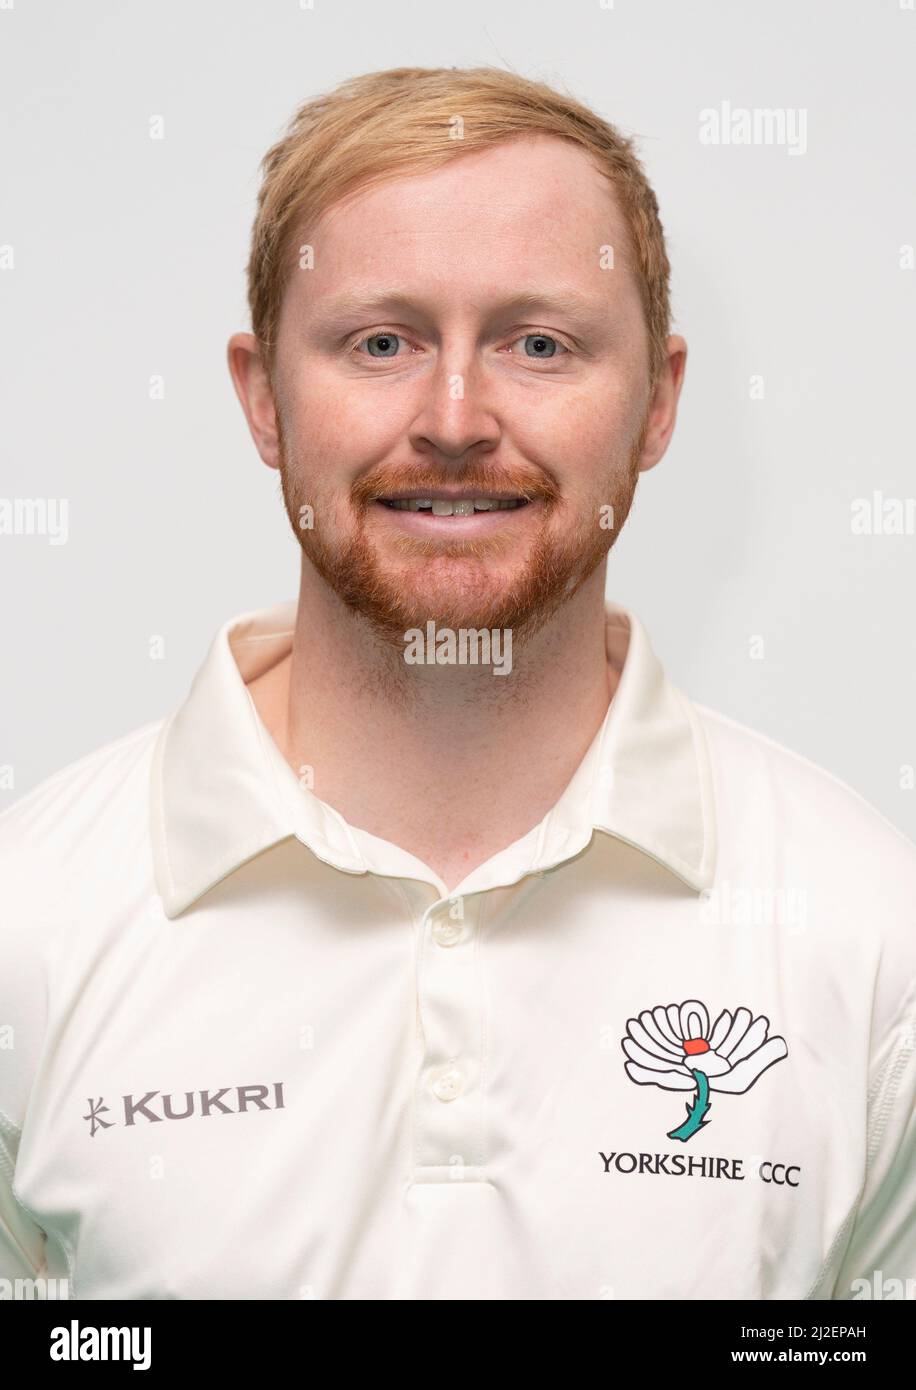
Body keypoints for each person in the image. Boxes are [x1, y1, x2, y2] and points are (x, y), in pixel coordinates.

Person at [1, 66, 914, 1302]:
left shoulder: (870, 936)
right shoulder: (31, 926)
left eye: (537, 344)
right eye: (381, 342)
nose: (452, 418)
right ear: (264, 396)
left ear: (658, 404)